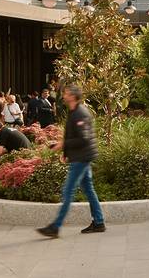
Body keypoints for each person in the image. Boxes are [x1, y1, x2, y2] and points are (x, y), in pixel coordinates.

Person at [37, 84, 105, 237]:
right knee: (88, 189)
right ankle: (99, 222)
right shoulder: (74, 112)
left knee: (68, 191)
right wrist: (66, 151)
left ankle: (55, 226)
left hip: (82, 158)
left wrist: (63, 145)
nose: (63, 95)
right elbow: (72, 136)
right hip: (79, 157)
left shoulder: (80, 113)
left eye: (66, 93)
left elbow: (84, 138)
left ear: (73, 96)